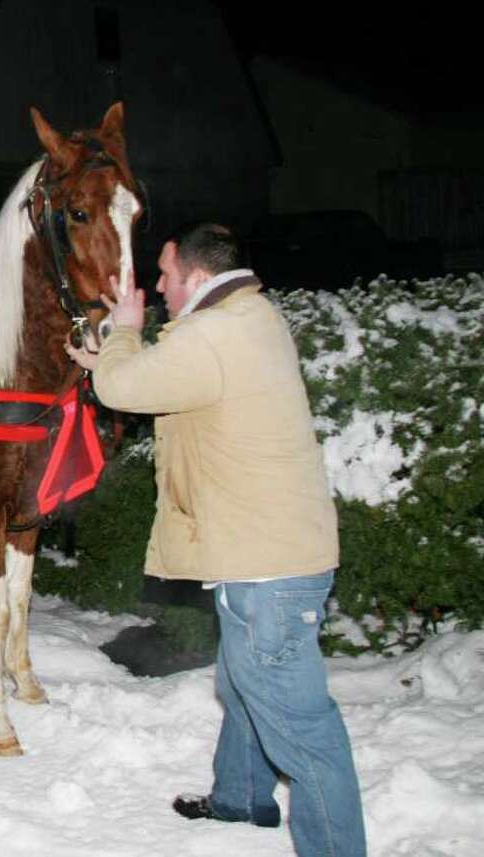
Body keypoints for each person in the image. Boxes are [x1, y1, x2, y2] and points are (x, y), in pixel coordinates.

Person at [65, 223, 366, 857]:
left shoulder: (218, 332)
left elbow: (123, 388)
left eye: (165, 275)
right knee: (242, 686)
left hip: (268, 569)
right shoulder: (244, 319)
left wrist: (124, 333)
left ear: (198, 277)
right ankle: (241, 797)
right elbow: (169, 380)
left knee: (300, 729)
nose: (157, 287)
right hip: (264, 557)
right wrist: (115, 356)